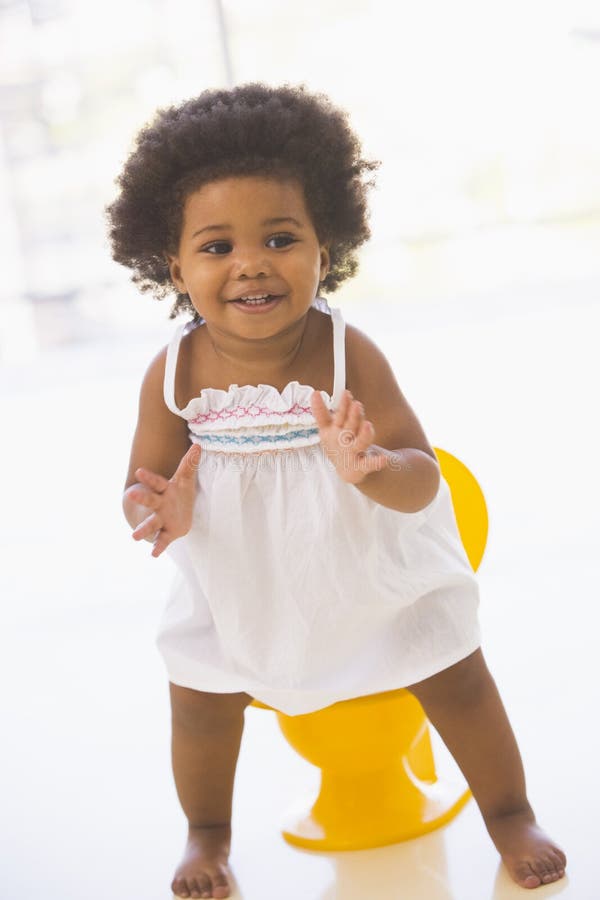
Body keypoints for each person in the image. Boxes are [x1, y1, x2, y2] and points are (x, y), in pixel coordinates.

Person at [107, 83, 567, 899]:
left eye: (280, 237)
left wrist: (374, 469)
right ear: (173, 265)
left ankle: (508, 813)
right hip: (246, 587)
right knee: (197, 697)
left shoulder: (351, 355)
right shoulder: (173, 374)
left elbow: (424, 477)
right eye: (217, 247)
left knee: (457, 675)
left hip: (367, 571)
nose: (250, 261)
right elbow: (140, 489)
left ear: (327, 250)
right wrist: (159, 510)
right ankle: (207, 831)